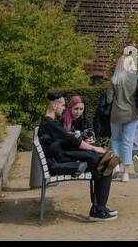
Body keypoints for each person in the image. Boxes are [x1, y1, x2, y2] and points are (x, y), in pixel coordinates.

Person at [38, 91, 117, 221]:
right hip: (60, 163)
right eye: (63, 105)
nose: (64, 108)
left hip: (61, 158)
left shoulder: (50, 123)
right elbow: (71, 141)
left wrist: (89, 147)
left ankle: (99, 208)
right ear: (54, 106)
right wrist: (93, 147)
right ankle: (98, 210)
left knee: (105, 161)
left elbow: (67, 142)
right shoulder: (50, 124)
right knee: (106, 163)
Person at [110, 47, 138, 182]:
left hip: (116, 114)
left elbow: (109, 98)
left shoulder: (114, 79)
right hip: (132, 114)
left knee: (115, 140)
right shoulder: (137, 77)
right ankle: (126, 173)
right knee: (128, 142)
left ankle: (115, 167)